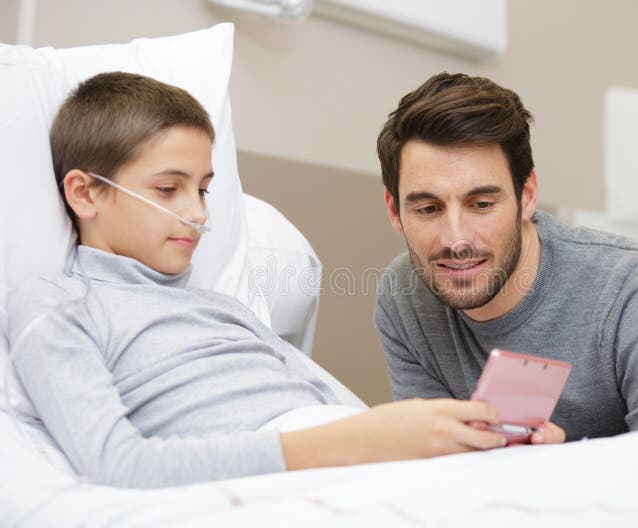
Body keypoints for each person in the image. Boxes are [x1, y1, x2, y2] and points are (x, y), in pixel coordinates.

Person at [6, 72, 509, 489]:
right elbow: (117, 462)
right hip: (295, 469)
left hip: (349, 456)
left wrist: (441, 437)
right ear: (85, 193)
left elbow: (337, 407)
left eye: (204, 190)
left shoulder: (224, 308)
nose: (198, 214)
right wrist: (352, 442)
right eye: (168, 188)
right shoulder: (60, 303)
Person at [374, 72, 638, 442]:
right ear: (394, 211)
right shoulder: (404, 297)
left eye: (481, 204)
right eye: (428, 209)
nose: (456, 240)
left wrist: (561, 464)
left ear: (528, 195)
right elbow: (436, 462)